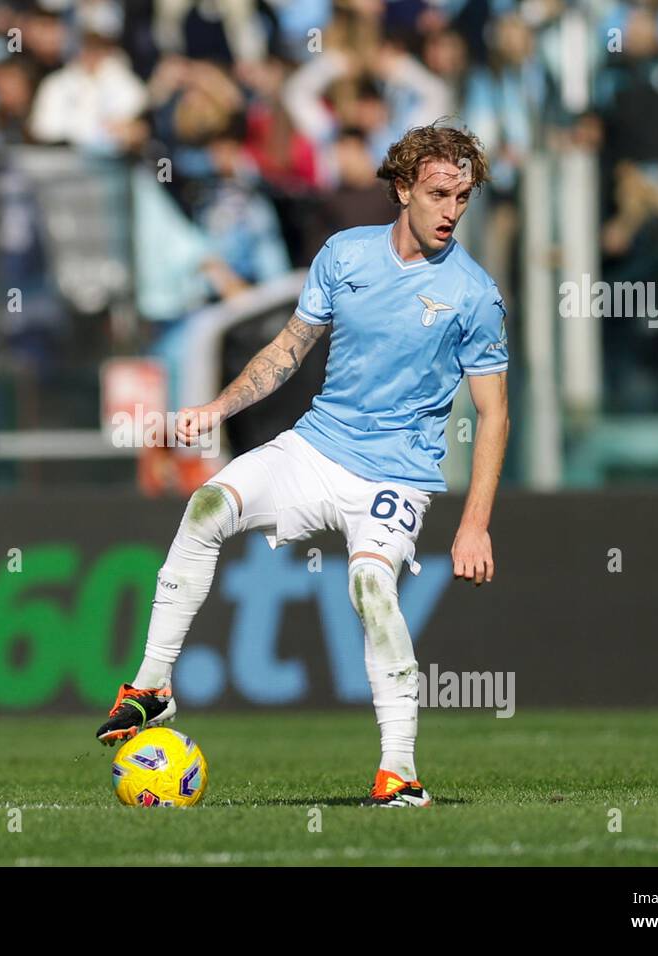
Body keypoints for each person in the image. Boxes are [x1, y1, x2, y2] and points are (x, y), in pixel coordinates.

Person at [96, 124, 511, 808]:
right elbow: (288, 350)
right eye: (439, 194)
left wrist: (475, 525)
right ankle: (152, 684)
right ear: (402, 189)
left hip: (395, 476)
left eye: (462, 197)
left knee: (370, 588)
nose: (451, 210)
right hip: (316, 446)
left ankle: (399, 773)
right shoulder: (344, 255)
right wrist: (218, 408)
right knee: (206, 506)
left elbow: (494, 414)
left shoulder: (474, 293)